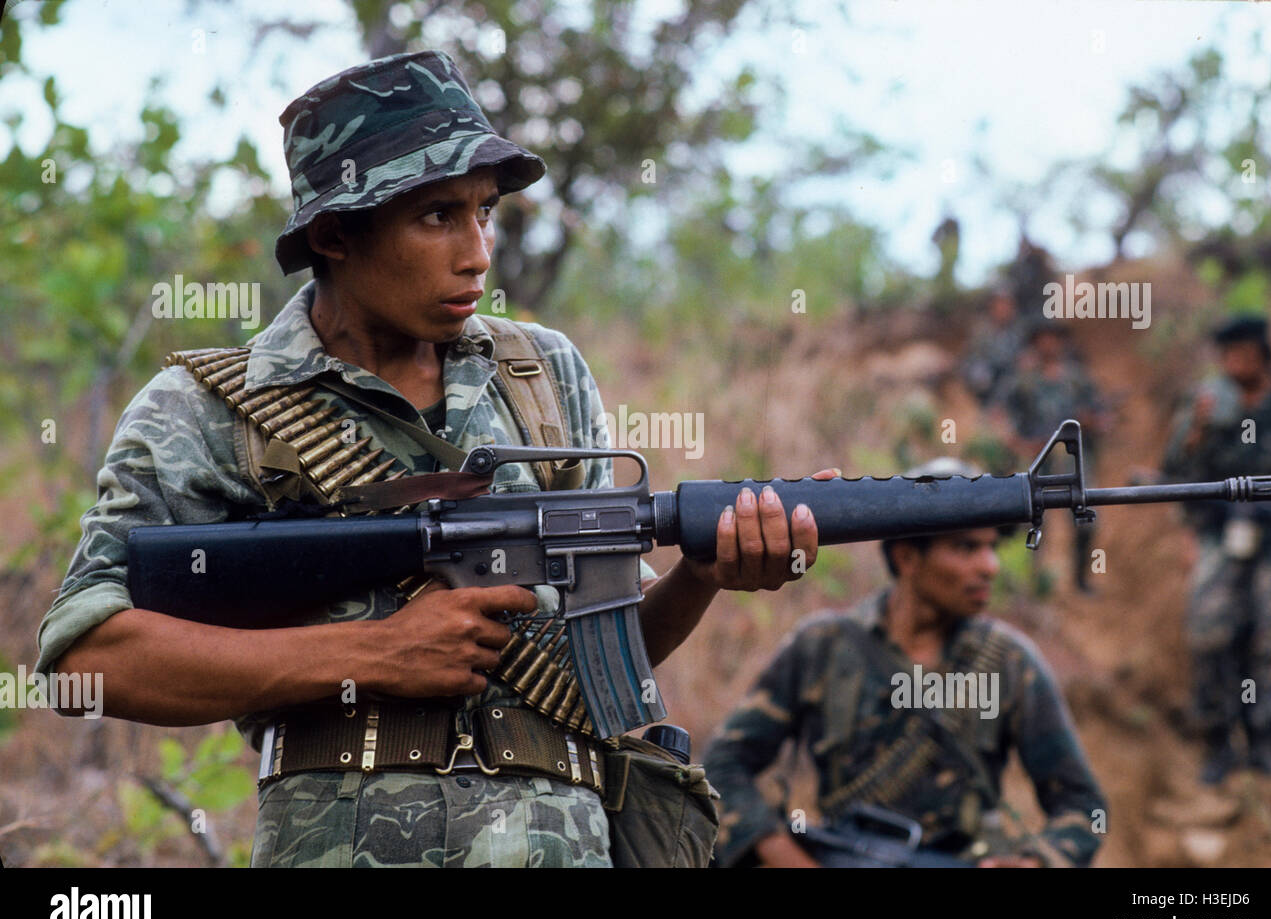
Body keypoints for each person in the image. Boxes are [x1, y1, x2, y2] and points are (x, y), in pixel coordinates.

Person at [35, 51, 830, 867]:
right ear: (334, 233)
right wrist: (372, 652)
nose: (478, 253)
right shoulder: (206, 410)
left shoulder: (542, 374)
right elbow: (85, 660)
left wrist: (703, 573)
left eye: (484, 211)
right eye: (437, 217)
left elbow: (597, 662)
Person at [703, 458, 1107, 868]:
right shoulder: (822, 646)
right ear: (907, 557)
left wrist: (1034, 863)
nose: (990, 566)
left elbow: (1085, 808)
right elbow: (723, 764)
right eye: (966, 547)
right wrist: (780, 852)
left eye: (991, 547)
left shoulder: (1009, 662)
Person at [1160, 313, 1271, 784]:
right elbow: (1176, 470)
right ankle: (1219, 741)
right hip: (1220, 532)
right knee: (1211, 632)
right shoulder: (1208, 401)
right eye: (1227, 354)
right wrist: (1189, 536)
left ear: (1263, 351)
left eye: (1242, 351)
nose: (1233, 362)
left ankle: (1268, 740)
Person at [994, 319, 1108, 591]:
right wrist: (1018, 443)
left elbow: (1102, 418)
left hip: (1073, 460)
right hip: (1036, 460)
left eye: (1053, 338)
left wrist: (1091, 421)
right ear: (1034, 343)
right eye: (1043, 339)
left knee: (1086, 517)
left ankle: (1081, 580)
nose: (1049, 344)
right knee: (1031, 521)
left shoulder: (1077, 379)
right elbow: (999, 415)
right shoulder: (1022, 381)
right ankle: (1032, 585)